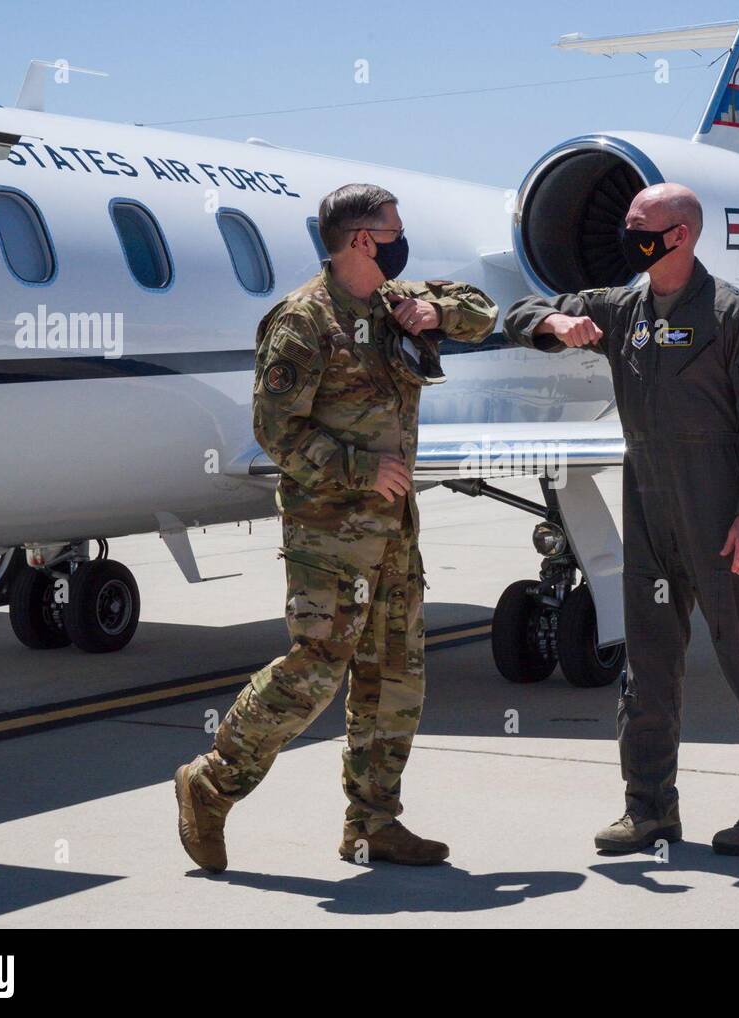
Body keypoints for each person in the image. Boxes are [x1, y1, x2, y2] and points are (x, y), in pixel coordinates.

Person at [175, 183, 497, 870]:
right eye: (393, 230)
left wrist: (432, 309)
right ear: (361, 239)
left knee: (397, 675)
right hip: (330, 531)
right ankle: (211, 783)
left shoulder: (391, 304)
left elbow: (480, 313)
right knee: (316, 668)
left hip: (394, 529)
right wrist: (358, 468)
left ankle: (373, 823)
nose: (401, 240)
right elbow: (274, 432)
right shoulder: (304, 321)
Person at [503, 183, 739, 855]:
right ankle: (648, 808)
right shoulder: (623, 311)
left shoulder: (732, 315)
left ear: (678, 235)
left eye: (639, 225)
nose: (627, 234)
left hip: (717, 507)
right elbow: (522, 311)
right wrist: (555, 325)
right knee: (646, 665)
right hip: (646, 501)